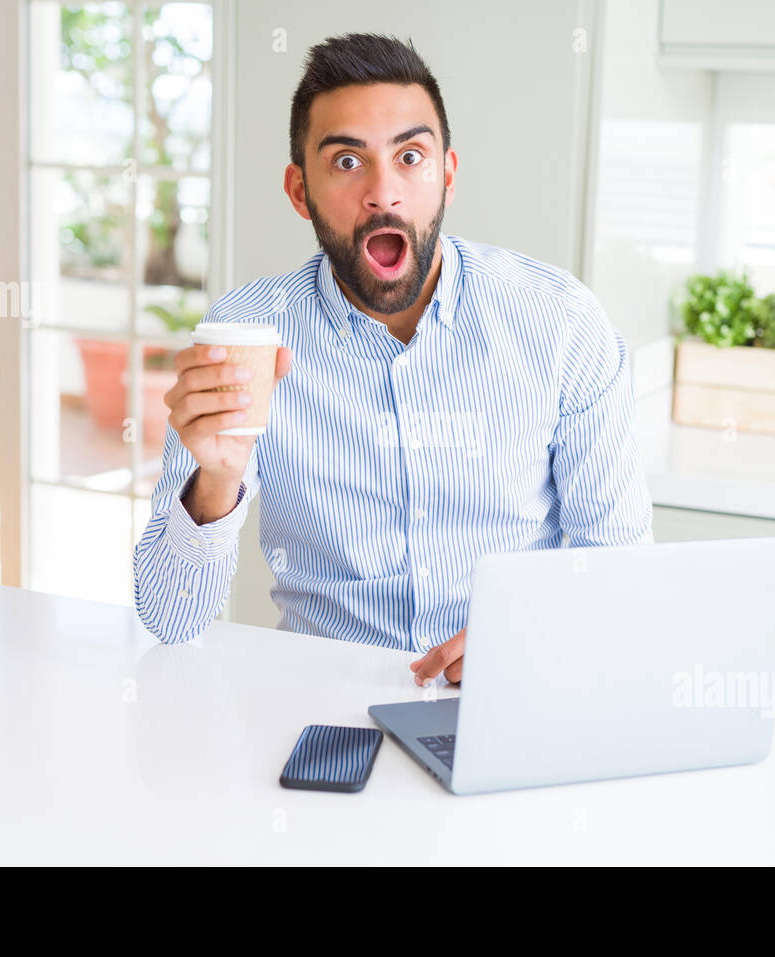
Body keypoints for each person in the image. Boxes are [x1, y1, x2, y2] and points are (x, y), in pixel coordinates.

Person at [134, 33, 653, 685]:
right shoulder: (248, 336)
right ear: (300, 192)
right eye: (347, 163)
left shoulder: (561, 323)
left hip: (511, 693)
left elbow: (623, 571)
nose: (384, 192)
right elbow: (168, 617)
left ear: (448, 175)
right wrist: (214, 483)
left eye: (410, 156)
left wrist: (536, 637)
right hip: (317, 710)